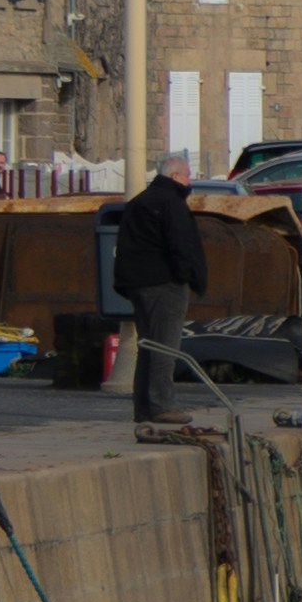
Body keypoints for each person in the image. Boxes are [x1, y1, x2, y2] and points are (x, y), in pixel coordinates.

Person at [111, 149, 211, 436]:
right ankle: (163, 405)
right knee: (165, 345)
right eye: (189, 175)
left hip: (138, 284)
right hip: (164, 284)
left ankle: (143, 405)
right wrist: (185, 276)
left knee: (148, 345)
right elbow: (181, 245)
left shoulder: (140, 202)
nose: (191, 180)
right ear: (176, 176)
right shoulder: (172, 203)